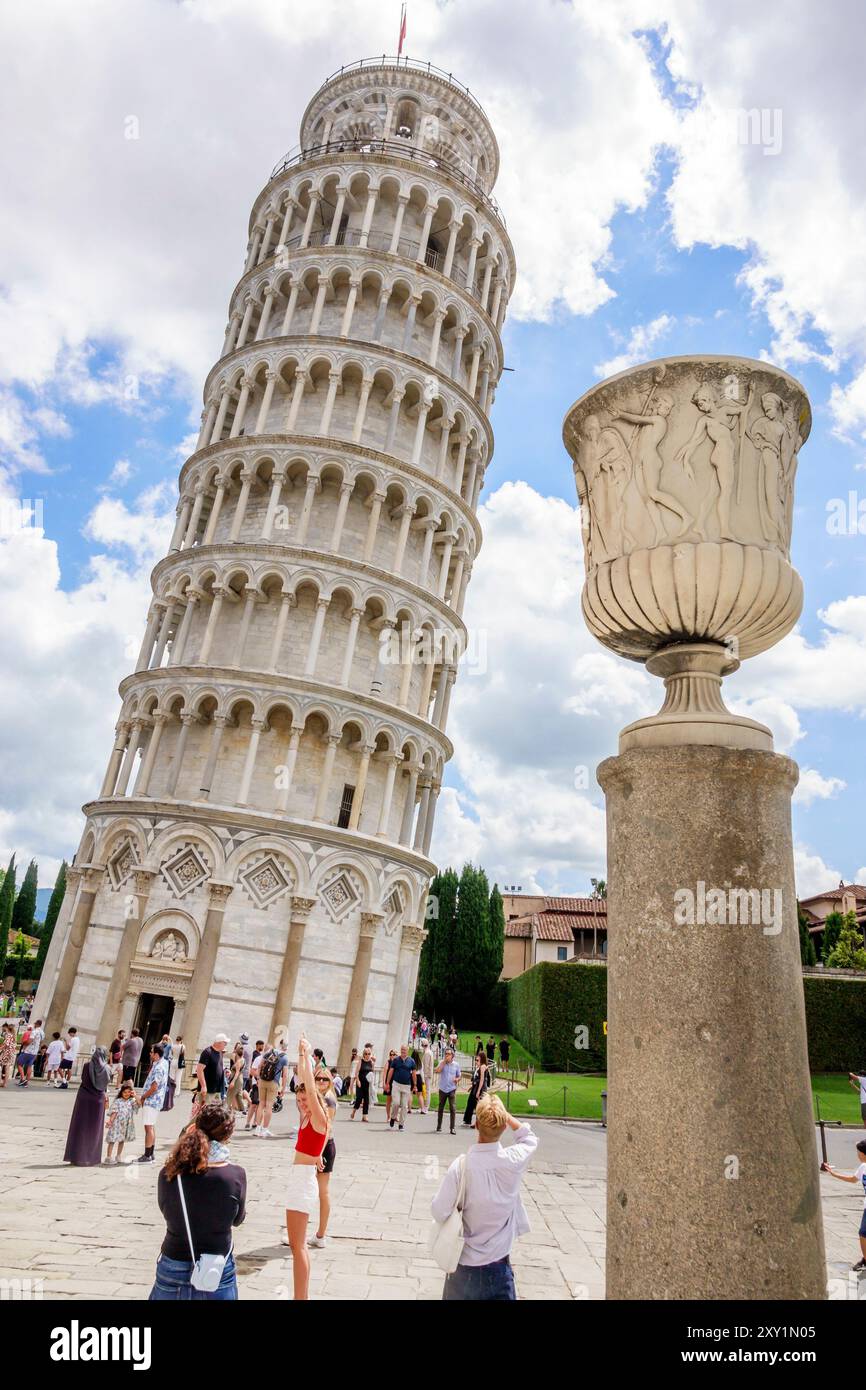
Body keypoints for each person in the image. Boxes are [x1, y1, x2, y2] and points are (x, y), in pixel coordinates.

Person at [432, 1093, 538, 1300]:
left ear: (476, 1124)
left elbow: (439, 1211)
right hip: (499, 1266)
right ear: (504, 1126)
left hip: (464, 1267)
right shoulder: (514, 1160)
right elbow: (529, 1138)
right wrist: (503, 1115)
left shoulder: (461, 1167)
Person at [150, 1102, 246, 1301]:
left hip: (174, 1261)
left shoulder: (170, 1172)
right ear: (228, 1136)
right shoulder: (235, 1175)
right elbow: (237, 1219)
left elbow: (165, 1208)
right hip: (216, 1265)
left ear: (195, 1127)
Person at [284, 1036, 329, 1300]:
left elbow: (311, 1089)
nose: (302, 1103)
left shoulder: (319, 1117)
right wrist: (301, 1054)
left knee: (297, 1246)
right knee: (298, 1246)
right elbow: (303, 1082)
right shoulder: (309, 1117)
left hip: (303, 1183)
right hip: (300, 1178)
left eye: (305, 1100)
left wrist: (309, 1054)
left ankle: (299, 1298)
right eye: (299, 1099)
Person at [63, 1046, 110, 1165]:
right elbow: (105, 1085)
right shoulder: (107, 1069)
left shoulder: (87, 1066)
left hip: (84, 1098)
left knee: (80, 1128)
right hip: (98, 1099)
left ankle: (77, 1156)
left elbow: (84, 1079)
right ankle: (91, 1158)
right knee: (94, 1130)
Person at [823, 1140, 866, 1270]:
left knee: (863, 1233)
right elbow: (853, 1179)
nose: (857, 1154)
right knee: (863, 1233)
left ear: (864, 1153)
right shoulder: (863, 1167)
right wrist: (833, 1174)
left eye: (858, 1152)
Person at [310, 1068, 338, 1249]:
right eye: (318, 1079)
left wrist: (318, 1152)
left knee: (321, 1191)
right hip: (318, 1146)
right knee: (311, 1189)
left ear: (330, 1082)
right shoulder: (319, 1096)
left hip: (323, 1147)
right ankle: (315, 1233)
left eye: (325, 1079)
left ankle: (321, 1234)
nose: (321, 1082)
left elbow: (326, 1127)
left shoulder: (328, 1099)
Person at [138, 1043, 170, 1163]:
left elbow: (154, 1087)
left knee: (148, 1127)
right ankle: (151, 1153)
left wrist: (143, 1097)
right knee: (151, 1126)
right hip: (157, 1100)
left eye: (151, 1052)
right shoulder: (164, 1063)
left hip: (152, 1100)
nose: (150, 1053)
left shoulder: (158, 1067)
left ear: (156, 1054)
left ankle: (147, 1155)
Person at [104, 1080, 138, 1164]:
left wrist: (135, 1096)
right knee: (112, 1140)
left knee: (122, 1140)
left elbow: (139, 1105)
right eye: (124, 1092)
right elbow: (114, 1112)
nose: (126, 1094)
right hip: (116, 1124)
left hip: (125, 1125)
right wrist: (110, 1121)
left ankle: (118, 1156)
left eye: (128, 1092)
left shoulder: (132, 1101)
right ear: (121, 1093)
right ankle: (108, 1157)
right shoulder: (118, 1101)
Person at [386, 1045, 416, 1131]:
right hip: (396, 1084)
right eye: (402, 1049)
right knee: (395, 1103)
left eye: (405, 1050)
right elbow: (391, 1071)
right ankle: (393, 1117)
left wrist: (415, 1085)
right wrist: (387, 1083)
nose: (403, 1051)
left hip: (406, 1086)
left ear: (408, 1051)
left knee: (404, 1106)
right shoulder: (396, 1060)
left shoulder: (411, 1061)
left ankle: (401, 1124)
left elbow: (413, 1073)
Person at [195, 1033, 229, 1109]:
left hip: (217, 1090)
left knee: (213, 1113)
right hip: (208, 1089)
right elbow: (199, 1069)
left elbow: (217, 1066)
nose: (226, 1045)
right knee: (203, 1112)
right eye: (225, 1043)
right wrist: (203, 1086)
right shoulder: (207, 1052)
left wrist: (224, 1071)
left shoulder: (220, 1052)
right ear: (219, 1043)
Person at [435, 1048, 461, 1134]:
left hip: (451, 1089)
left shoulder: (456, 1065)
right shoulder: (442, 1063)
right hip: (442, 1089)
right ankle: (439, 1126)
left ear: (452, 1055)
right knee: (440, 1108)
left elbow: (459, 1075)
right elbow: (437, 1071)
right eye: (446, 1053)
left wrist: (457, 1079)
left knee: (453, 1109)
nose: (447, 1055)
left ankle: (452, 1128)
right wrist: (443, 1062)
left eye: (448, 1054)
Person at [463, 1049, 489, 1129]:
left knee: (479, 1106)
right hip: (476, 1087)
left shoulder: (483, 1066)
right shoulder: (479, 1067)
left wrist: (478, 1091)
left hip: (480, 1088)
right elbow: (476, 1079)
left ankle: (478, 1123)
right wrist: (471, 1087)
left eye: (477, 1060)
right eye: (476, 1060)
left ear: (482, 1059)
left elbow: (481, 1080)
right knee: (471, 1103)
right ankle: (468, 1120)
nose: (476, 1061)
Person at [15, 1017, 44, 1086]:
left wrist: (24, 1044)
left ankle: (22, 1079)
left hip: (28, 1050)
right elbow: (41, 1042)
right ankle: (26, 1082)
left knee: (19, 1063)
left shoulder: (34, 1031)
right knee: (29, 1066)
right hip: (34, 1052)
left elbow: (30, 1041)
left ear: (36, 1024)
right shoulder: (42, 1032)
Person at [244, 1039, 265, 1131]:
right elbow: (252, 1070)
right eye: (261, 1045)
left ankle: (255, 1122)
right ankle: (248, 1122)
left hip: (263, 1085)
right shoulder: (257, 1057)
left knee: (259, 1105)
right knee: (254, 1104)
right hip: (255, 1083)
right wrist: (258, 1079)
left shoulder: (264, 1057)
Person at [351, 1043, 375, 1121]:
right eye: (366, 1054)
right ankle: (354, 1111)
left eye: (369, 1054)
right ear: (363, 1054)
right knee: (359, 1099)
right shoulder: (361, 1061)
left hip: (367, 1084)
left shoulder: (371, 1062)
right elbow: (356, 1072)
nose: (367, 1055)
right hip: (360, 1083)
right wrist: (357, 1081)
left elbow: (372, 1072)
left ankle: (364, 1116)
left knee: (366, 1100)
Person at [226, 1043, 247, 1115]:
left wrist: (232, 1082)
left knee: (229, 1095)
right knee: (238, 1096)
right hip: (240, 1079)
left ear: (236, 1052)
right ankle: (243, 1111)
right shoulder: (242, 1059)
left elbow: (237, 1072)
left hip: (237, 1079)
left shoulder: (238, 1061)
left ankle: (224, 1111)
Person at [419, 1038, 434, 1115]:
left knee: (427, 1091)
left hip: (427, 1075)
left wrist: (424, 1076)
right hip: (426, 1074)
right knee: (425, 1090)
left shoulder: (427, 1053)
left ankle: (426, 1107)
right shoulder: (428, 1052)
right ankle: (423, 1106)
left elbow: (426, 1066)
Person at [0, 1021, 17, 1086]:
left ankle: (4, 1083)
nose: (2, 1028)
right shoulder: (12, 1035)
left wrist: (0, 1049)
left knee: (5, 1067)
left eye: (2, 1027)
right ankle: (4, 1083)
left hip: (7, 1053)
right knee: (7, 1067)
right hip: (10, 1053)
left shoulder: (8, 1035)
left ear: (5, 1027)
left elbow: (6, 1044)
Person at [382, 1049, 396, 1124]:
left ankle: (394, 1116)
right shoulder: (388, 1062)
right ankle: (388, 1116)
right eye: (391, 1054)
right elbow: (384, 1074)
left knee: (396, 1101)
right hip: (389, 1083)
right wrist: (384, 1084)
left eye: (393, 1054)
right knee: (389, 1101)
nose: (392, 1056)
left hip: (395, 1083)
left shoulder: (397, 1062)